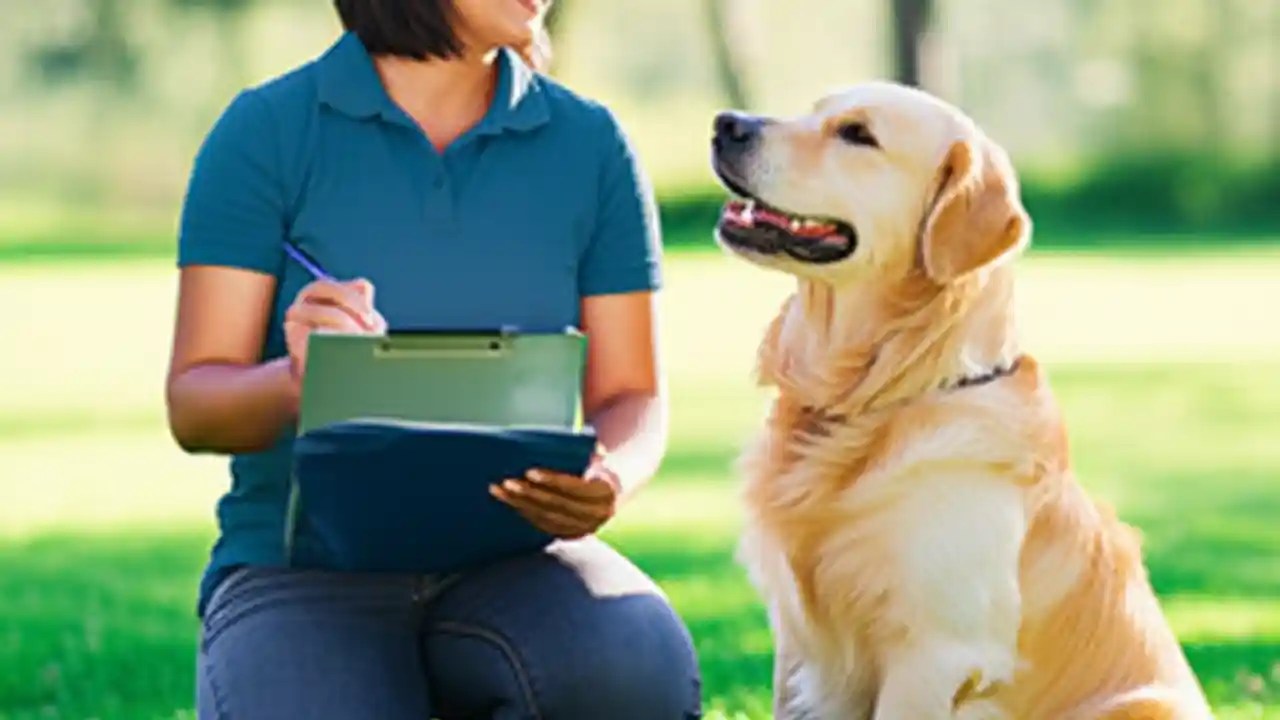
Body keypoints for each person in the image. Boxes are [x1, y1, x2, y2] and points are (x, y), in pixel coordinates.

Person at [164, 0, 701, 717]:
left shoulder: (589, 145)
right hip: (299, 570)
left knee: (637, 663)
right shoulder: (264, 132)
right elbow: (196, 405)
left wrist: (611, 475)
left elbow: (633, 393)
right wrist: (300, 379)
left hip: (515, 560)